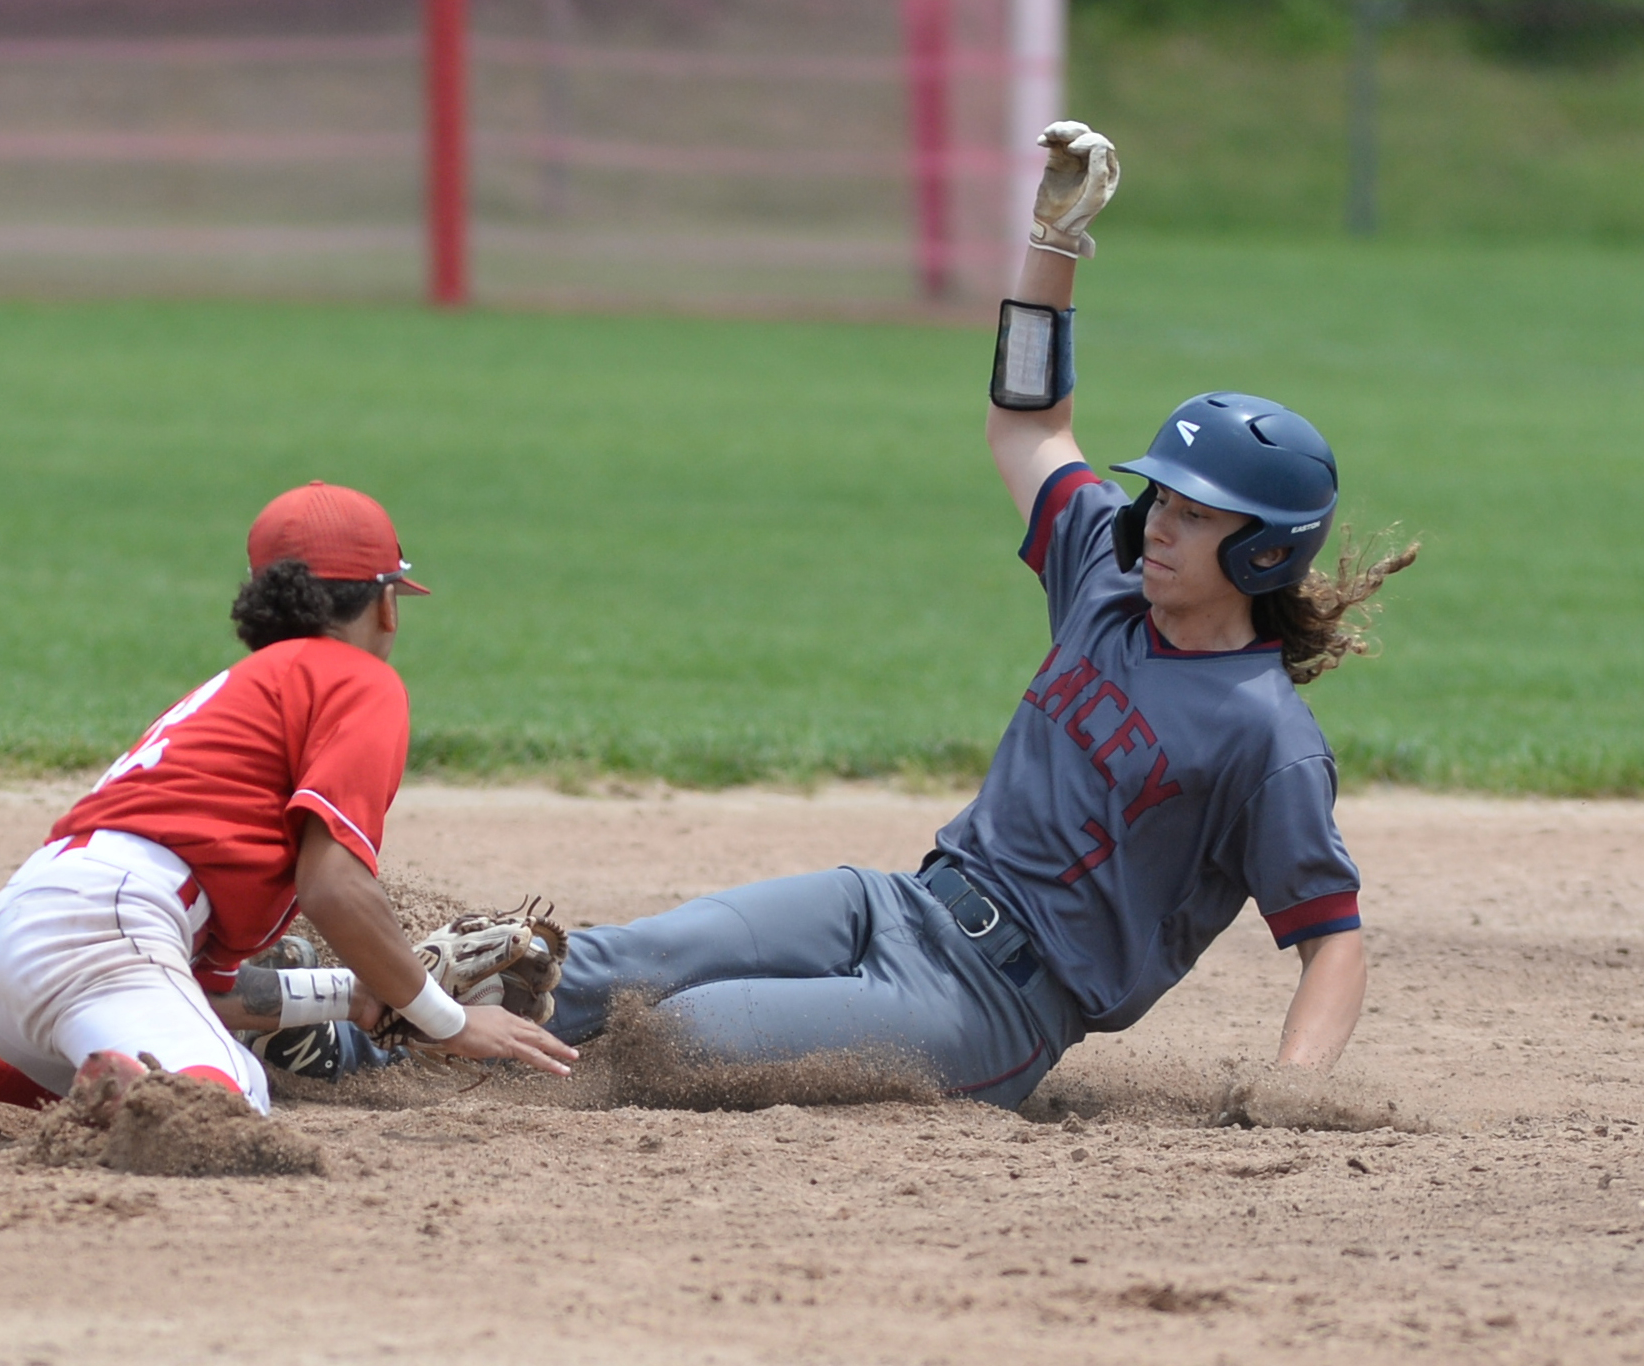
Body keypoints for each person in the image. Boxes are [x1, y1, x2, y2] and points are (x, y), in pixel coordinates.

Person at [432, 122, 1413, 1107]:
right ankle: (356, 1032)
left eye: (1192, 515)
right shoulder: (1107, 575)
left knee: (679, 1033)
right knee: (608, 963)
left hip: (992, 1008)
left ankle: (505, 1080)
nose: (1156, 523)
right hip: (891, 904)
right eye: (1158, 497)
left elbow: (1331, 938)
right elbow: (1030, 423)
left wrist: (1293, 1091)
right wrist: (1054, 246)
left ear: (1264, 551)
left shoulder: (1265, 733)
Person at [0, 481, 576, 1124]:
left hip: (13, 947)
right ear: (386, 608)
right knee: (226, 1097)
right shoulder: (357, 679)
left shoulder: (233, 697)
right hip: (105, 938)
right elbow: (334, 885)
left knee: (174, 1039)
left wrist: (362, 993)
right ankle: (131, 1084)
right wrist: (439, 1018)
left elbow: (212, 991)